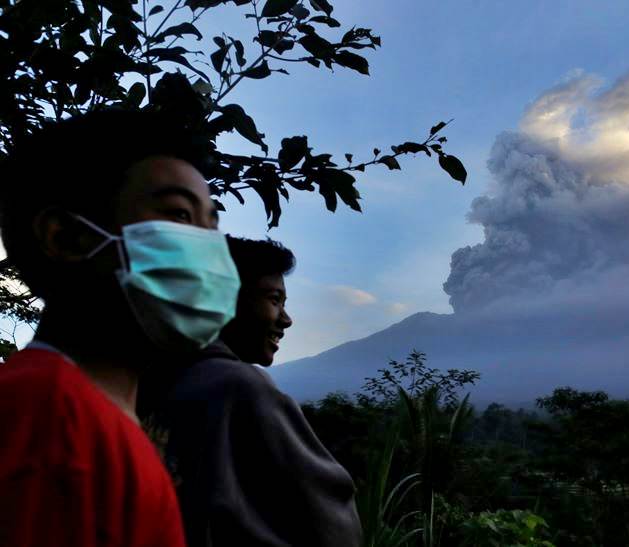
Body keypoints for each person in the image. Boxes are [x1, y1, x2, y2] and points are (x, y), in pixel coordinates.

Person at [0, 110, 241, 546]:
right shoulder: (48, 420)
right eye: (179, 214)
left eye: (211, 226)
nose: (209, 251)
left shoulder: (98, 418)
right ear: (66, 237)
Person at [139, 237, 362, 547]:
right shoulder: (240, 387)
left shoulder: (148, 383)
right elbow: (331, 520)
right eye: (274, 300)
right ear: (222, 299)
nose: (286, 319)